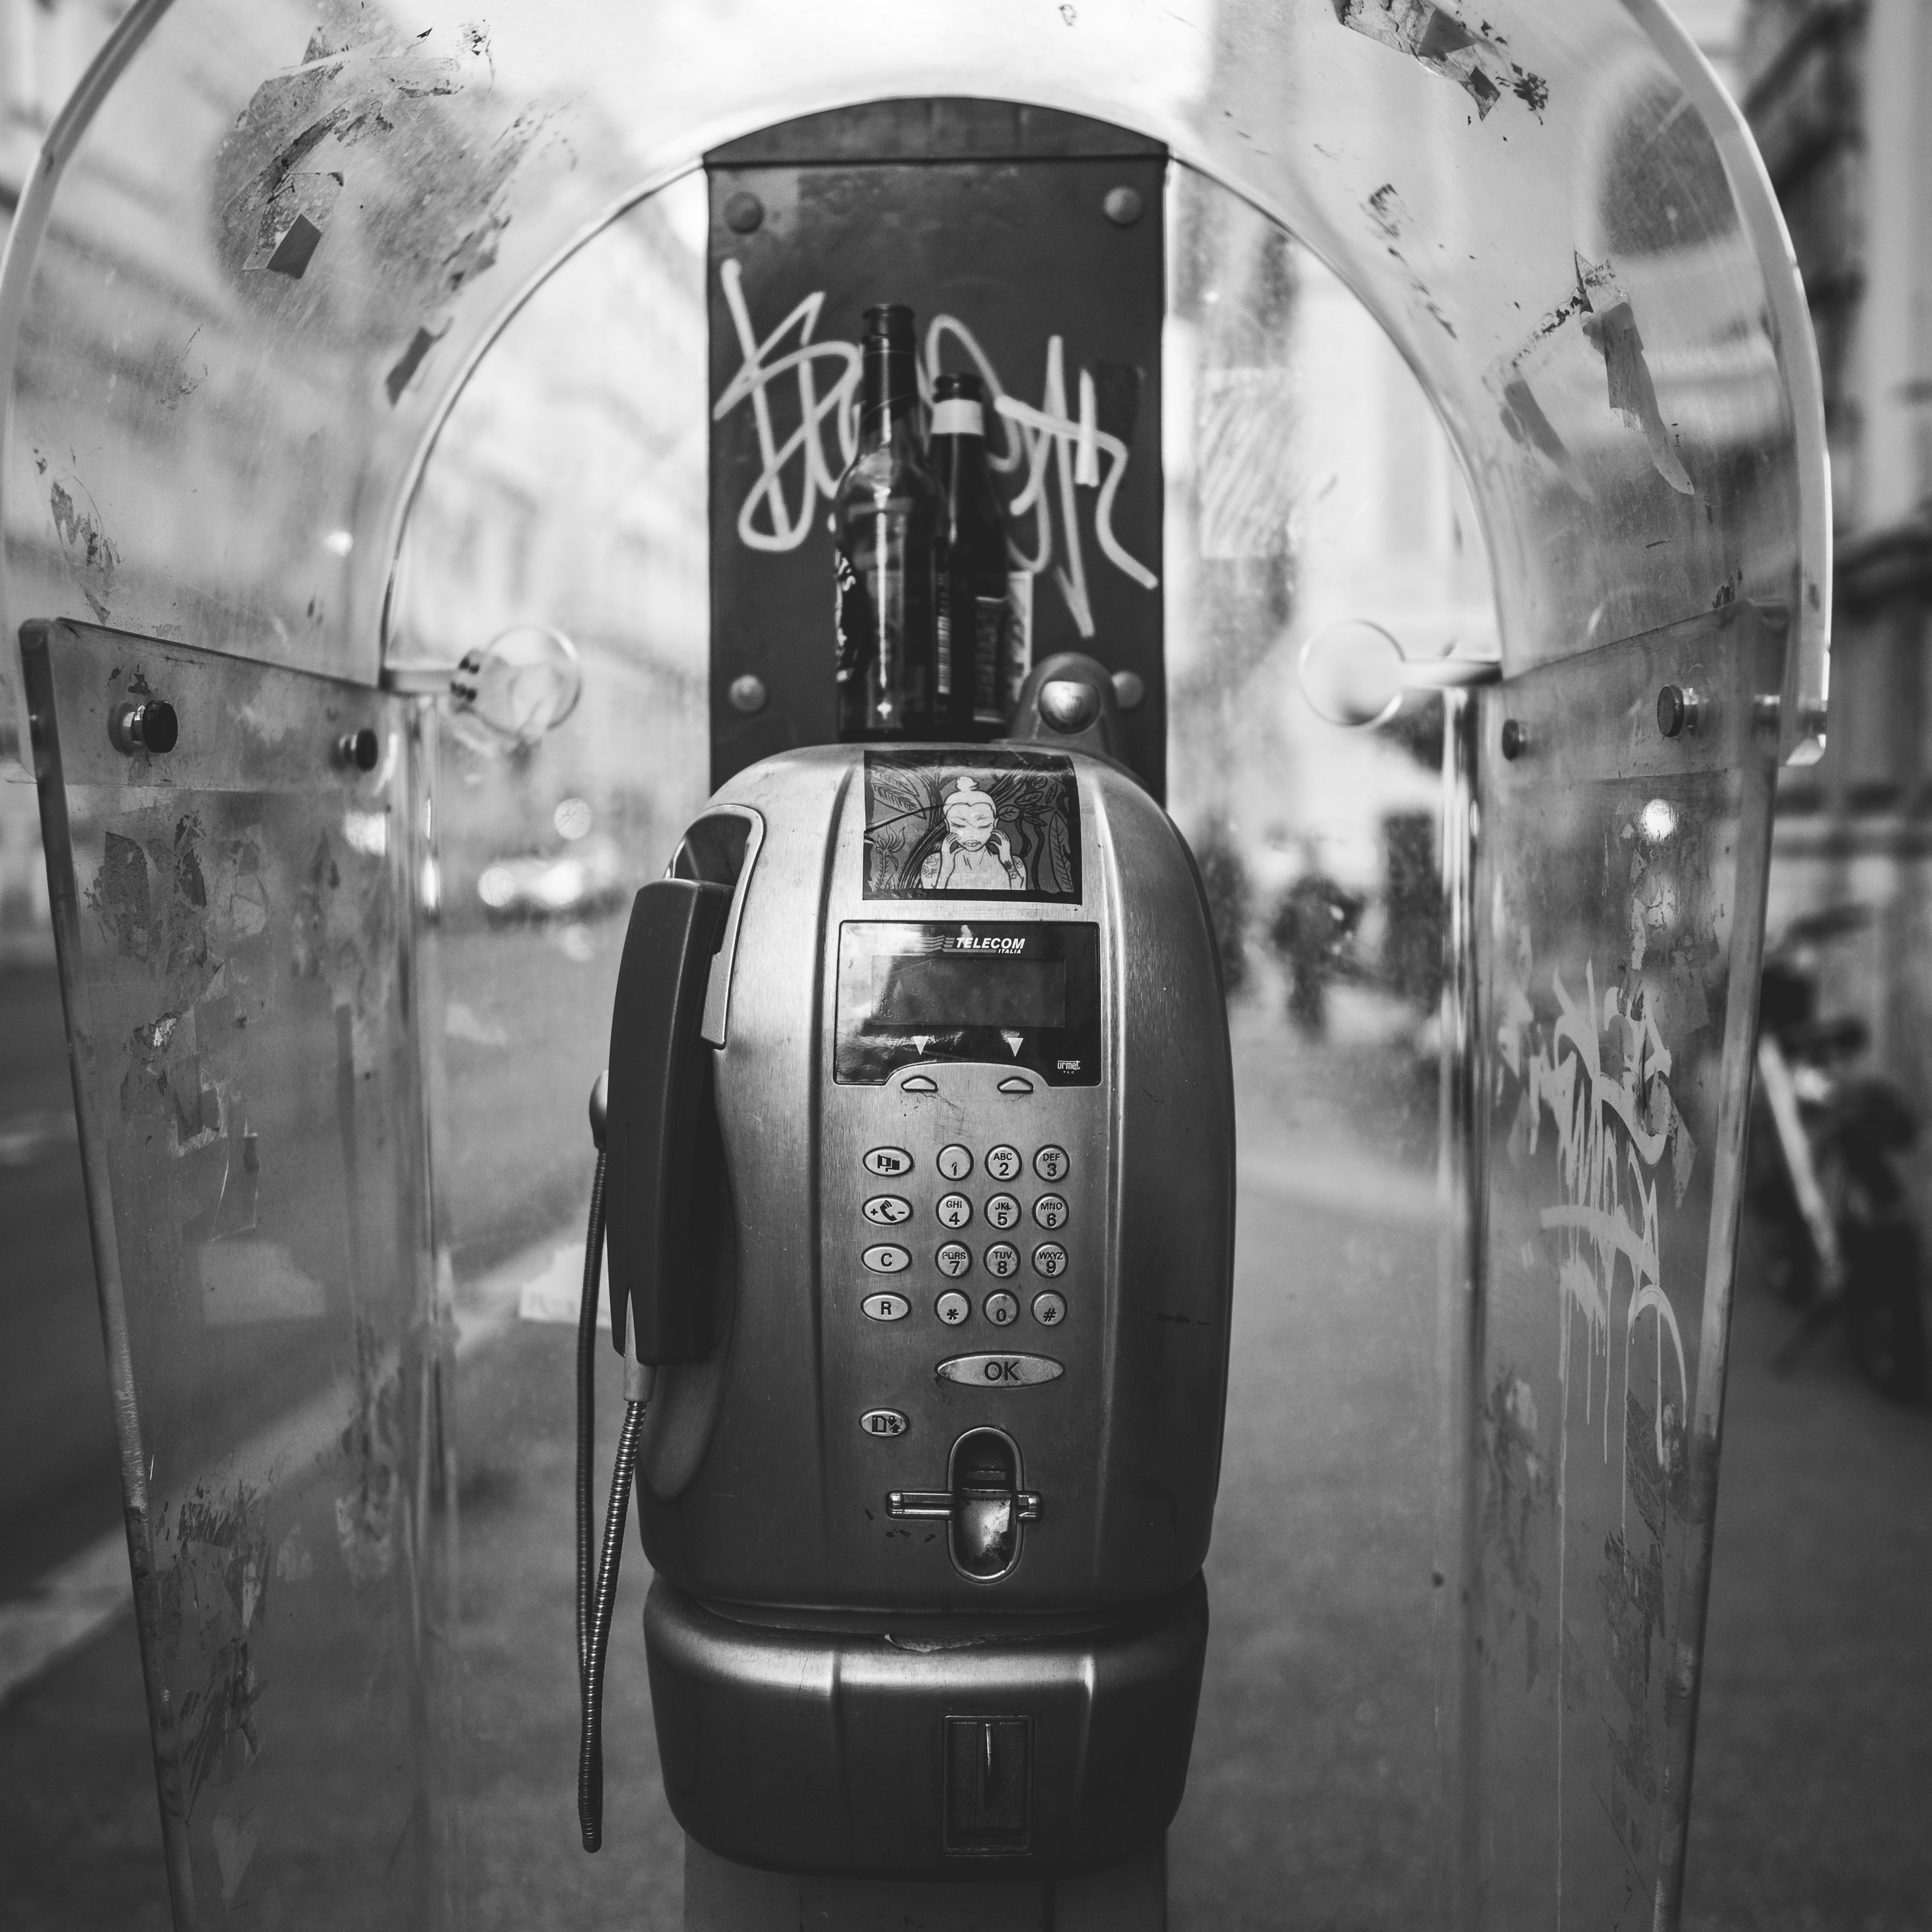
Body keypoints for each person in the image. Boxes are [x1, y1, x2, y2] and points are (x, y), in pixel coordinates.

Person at [920, 775, 1026, 891]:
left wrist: (1008, 862)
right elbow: (931, 904)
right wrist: (946, 867)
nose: (972, 835)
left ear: (995, 824)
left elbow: (1022, 902)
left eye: (983, 826)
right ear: (948, 825)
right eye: (959, 825)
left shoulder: (1014, 863)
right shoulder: (934, 864)